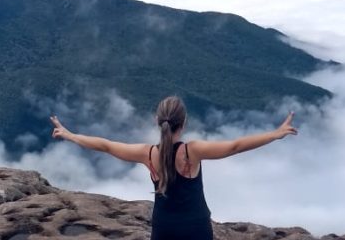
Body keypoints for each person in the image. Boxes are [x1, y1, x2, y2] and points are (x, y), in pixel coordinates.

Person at [50, 95, 298, 240]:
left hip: (164, 226)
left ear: (157, 122)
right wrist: (274, 134)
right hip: (196, 226)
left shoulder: (148, 154)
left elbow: (105, 145)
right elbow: (235, 146)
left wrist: (70, 135)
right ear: (184, 122)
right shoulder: (193, 151)